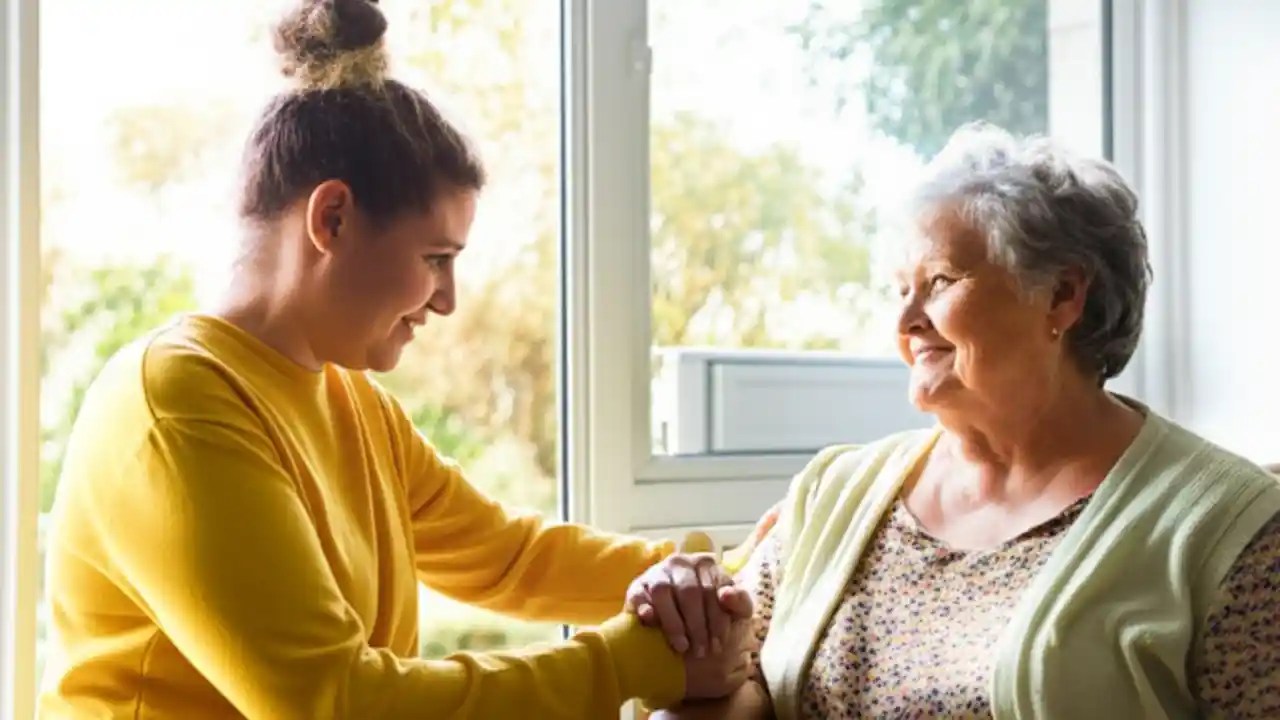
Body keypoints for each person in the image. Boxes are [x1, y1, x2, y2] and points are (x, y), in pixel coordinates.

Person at [37, 1, 755, 717]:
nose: (446, 301)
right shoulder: (176, 403)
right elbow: (335, 702)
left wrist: (711, 578)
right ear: (332, 219)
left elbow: (511, 560)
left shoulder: (356, 406)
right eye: (435, 259)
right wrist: (633, 661)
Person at [655, 123, 1280, 719]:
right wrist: (692, 636)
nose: (906, 323)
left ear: (1062, 295)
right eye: (900, 289)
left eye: (940, 281)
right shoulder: (835, 490)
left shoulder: (1229, 531)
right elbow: (746, 685)